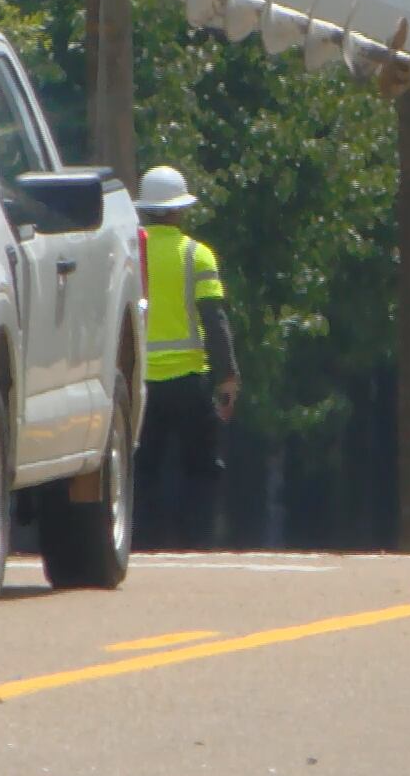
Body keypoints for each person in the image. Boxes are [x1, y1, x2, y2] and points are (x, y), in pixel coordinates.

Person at [134, 165, 241, 550]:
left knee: (142, 468)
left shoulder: (129, 251)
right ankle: (196, 543)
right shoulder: (197, 255)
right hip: (189, 381)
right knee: (201, 467)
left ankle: (143, 544)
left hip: (138, 384)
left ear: (144, 209)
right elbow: (214, 319)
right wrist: (227, 376)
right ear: (180, 209)